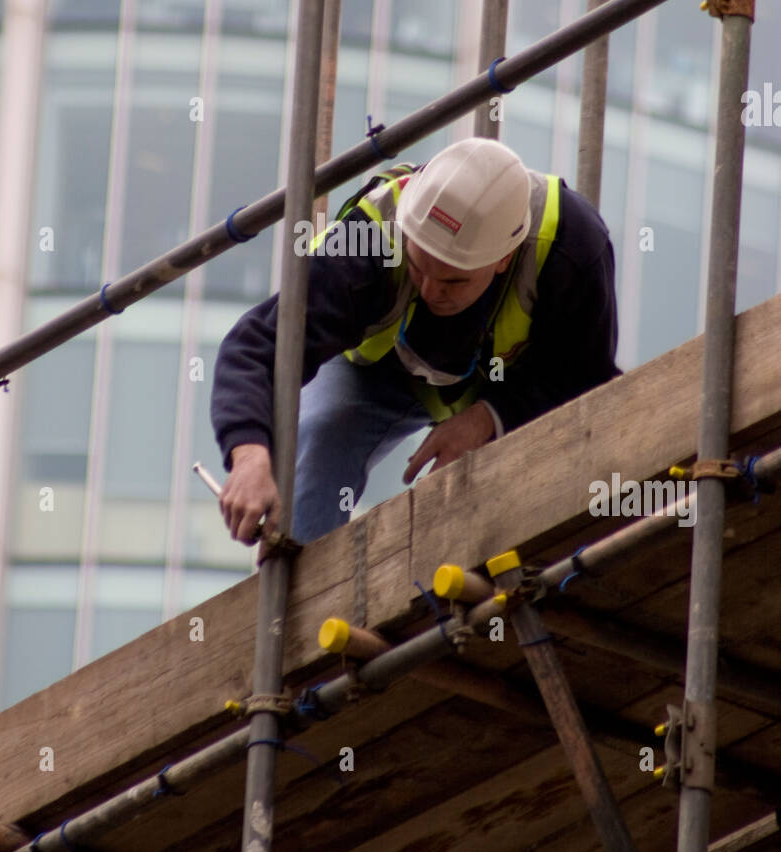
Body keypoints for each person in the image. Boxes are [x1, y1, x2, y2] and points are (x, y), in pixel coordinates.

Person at [210, 137, 619, 546]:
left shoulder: (573, 248)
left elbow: (586, 376)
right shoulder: (370, 240)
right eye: (419, 266)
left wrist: (488, 418)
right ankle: (297, 597)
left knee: (549, 467)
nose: (430, 290)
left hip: (499, 382)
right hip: (373, 372)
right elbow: (256, 344)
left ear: (504, 258)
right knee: (322, 438)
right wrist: (247, 455)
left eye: (453, 279)